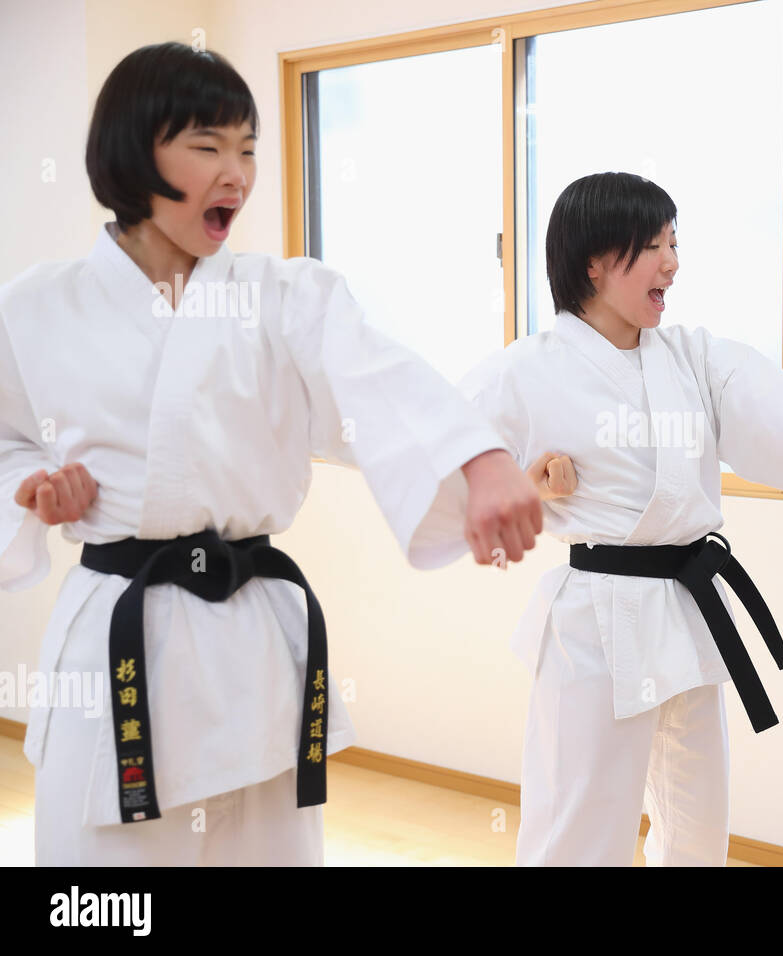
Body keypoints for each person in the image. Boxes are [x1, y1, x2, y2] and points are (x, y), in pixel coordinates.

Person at [0, 42, 540, 865]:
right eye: (208, 146)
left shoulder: (284, 295)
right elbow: (6, 444)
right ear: (133, 152)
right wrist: (35, 490)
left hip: (251, 635)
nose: (237, 174)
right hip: (119, 630)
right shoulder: (38, 306)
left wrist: (480, 457)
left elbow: (378, 376)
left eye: (248, 149)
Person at [460, 171, 783, 866]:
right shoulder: (525, 370)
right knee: (580, 827)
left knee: (698, 825)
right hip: (596, 624)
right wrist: (526, 486)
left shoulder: (693, 358)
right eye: (652, 246)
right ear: (594, 262)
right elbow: (447, 464)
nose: (671, 263)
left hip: (685, 611)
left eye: (674, 243)